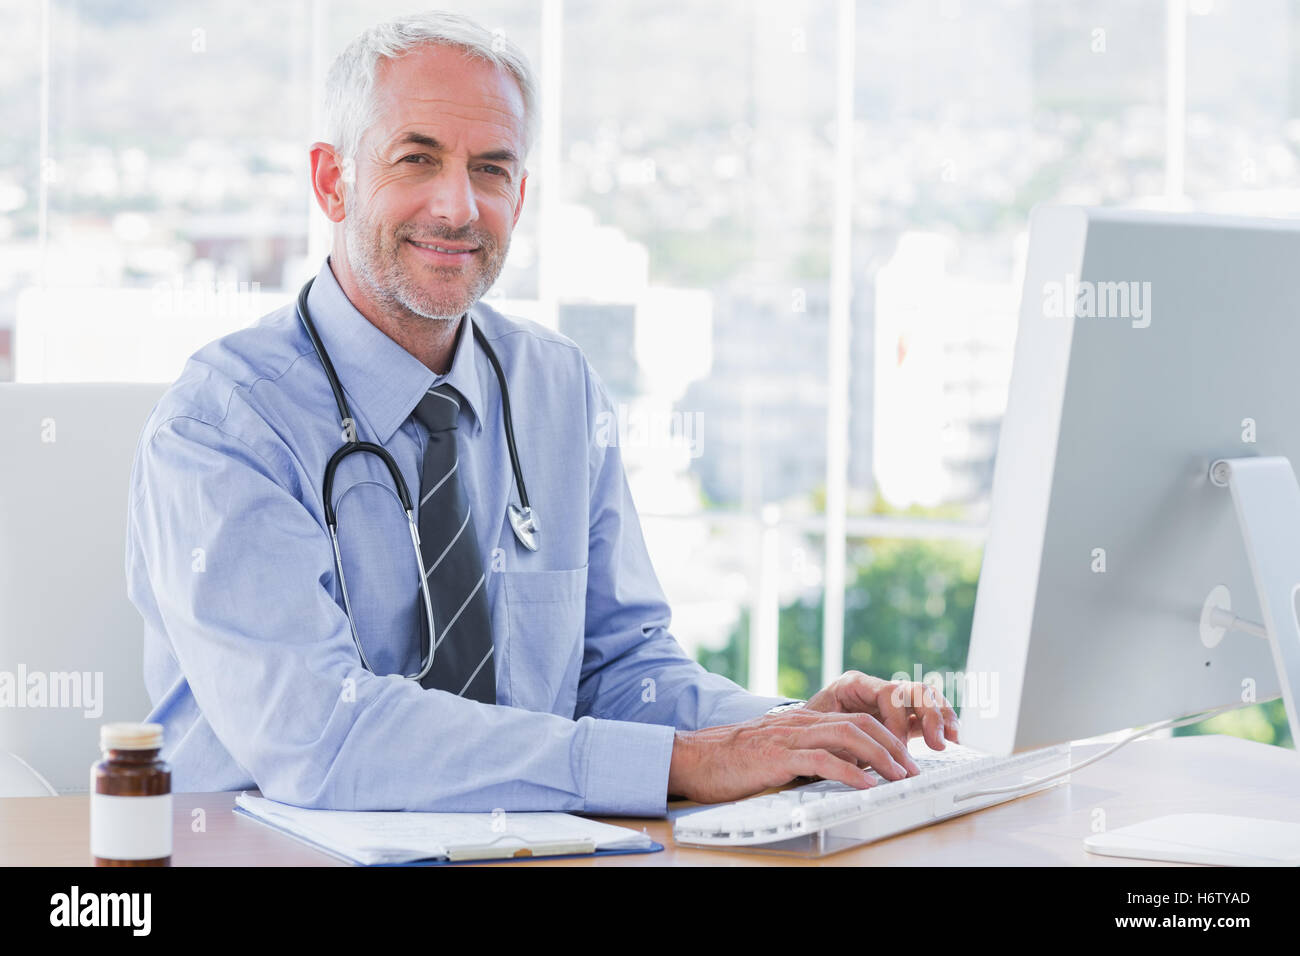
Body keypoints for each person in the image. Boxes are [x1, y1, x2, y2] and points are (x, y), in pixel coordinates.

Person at [125, 10, 958, 814]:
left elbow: (619, 669)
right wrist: (684, 763)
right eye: (417, 159)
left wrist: (791, 734)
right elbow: (321, 736)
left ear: (520, 196)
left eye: (491, 167)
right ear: (332, 180)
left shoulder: (558, 389)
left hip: (531, 849)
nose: (457, 207)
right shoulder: (221, 428)